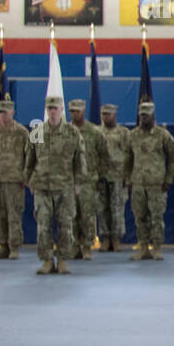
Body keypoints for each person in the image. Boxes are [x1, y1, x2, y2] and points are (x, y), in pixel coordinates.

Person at [24, 96, 86, 274]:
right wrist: (29, 180)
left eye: (55, 108)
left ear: (61, 110)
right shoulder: (37, 132)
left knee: (65, 226)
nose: (52, 111)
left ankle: (63, 260)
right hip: (42, 187)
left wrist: (78, 185)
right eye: (49, 108)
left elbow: (80, 162)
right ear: (46, 110)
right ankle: (47, 260)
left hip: (65, 187)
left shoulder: (72, 133)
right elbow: (30, 160)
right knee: (43, 226)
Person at [122, 101, 174, 261]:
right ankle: (143, 247)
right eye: (142, 115)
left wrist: (169, 179)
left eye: (147, 115)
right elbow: (127, 158)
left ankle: (158, 248)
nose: (144, 118)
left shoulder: (163, 135)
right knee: (140, 218)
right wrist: (128, 179)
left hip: (157, 184)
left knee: (157, 217)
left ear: (153, 115)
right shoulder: (132, 135)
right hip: (138, 183)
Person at [67, 99, 110, 260]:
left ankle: (86, 246)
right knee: (71, 215)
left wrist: (101, 177)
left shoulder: (94, 132)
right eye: (72, 111)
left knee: (87, 215)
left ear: (84, 111)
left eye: (77, 111)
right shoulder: (66, 131)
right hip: (69, 181)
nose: (74, 114)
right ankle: (74, 246)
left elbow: (104, 156)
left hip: (89, 180)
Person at [0, 99, 29, 259]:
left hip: (14, 179)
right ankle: (2, 245)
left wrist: (26, 175)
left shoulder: (22, 132)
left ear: (12, 112)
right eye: (0, 112)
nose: (3, 115)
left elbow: (30, 155)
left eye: (6, 112)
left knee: (14, 214)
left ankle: (14, 247)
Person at [97, 104, 130, 251]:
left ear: (115, 115)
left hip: (118, 176)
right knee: (102, 208)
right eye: (104, 114)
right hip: (101, 176)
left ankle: (116, 238)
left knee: (117, 208)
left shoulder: (124, 133)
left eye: (109, 114)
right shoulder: (96, 132)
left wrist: (127, 177)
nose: (106, 117)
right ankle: (105, 238)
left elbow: (129, 155)